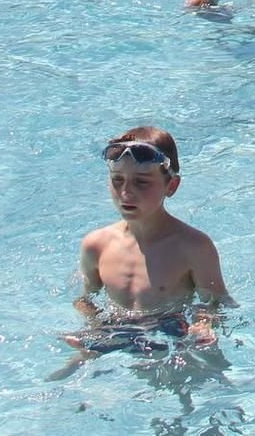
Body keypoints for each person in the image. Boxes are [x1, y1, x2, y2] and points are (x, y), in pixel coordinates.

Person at [66, 127, 234, 364]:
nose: (126, 192)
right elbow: (86, 299)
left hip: (172, 334)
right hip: (116, 331)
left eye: (142, 182)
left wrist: (203, 325)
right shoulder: (96, 245)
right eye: (117, 180)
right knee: (65, 377)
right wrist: (95, 328)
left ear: (171, 186)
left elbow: (217, 302)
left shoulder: (193, 247)